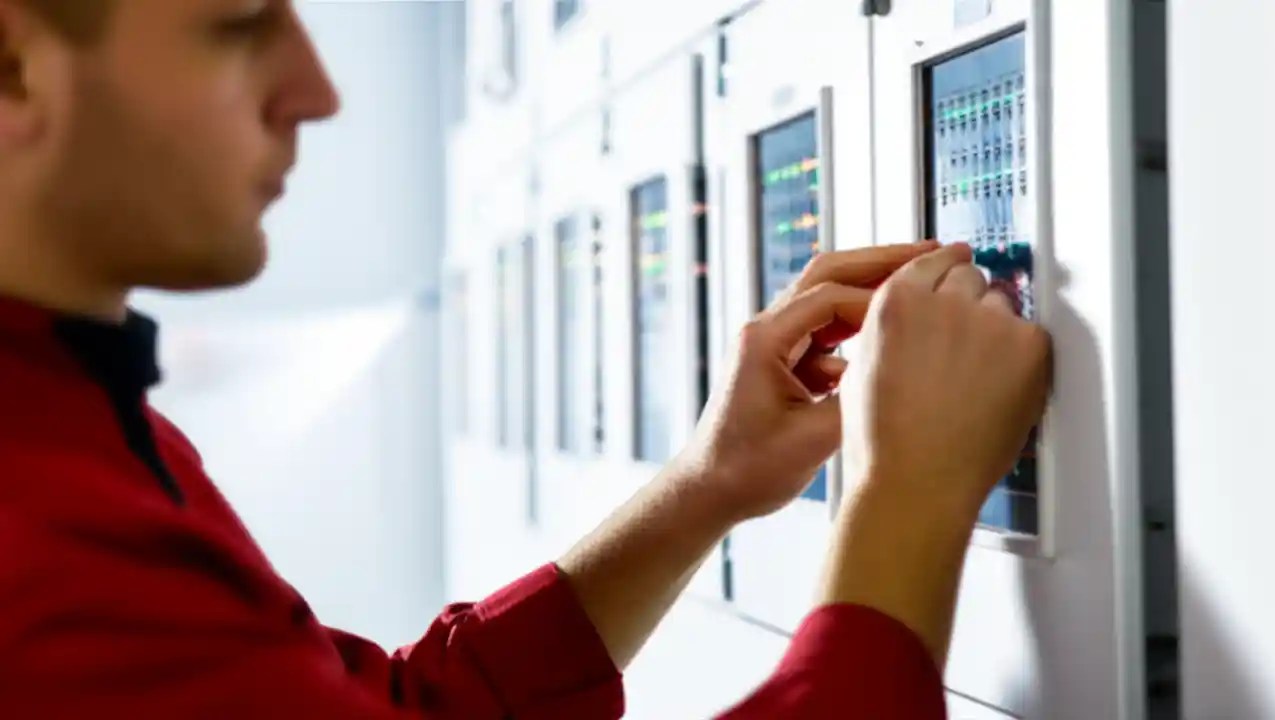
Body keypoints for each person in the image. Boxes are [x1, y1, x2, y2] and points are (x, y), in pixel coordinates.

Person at [0, 1, 1051, 718]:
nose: (314, 90)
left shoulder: (90, 427)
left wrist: (703, 487)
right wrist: (903, 496)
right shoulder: (46, 554)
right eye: (236, 22)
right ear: (14, 65)